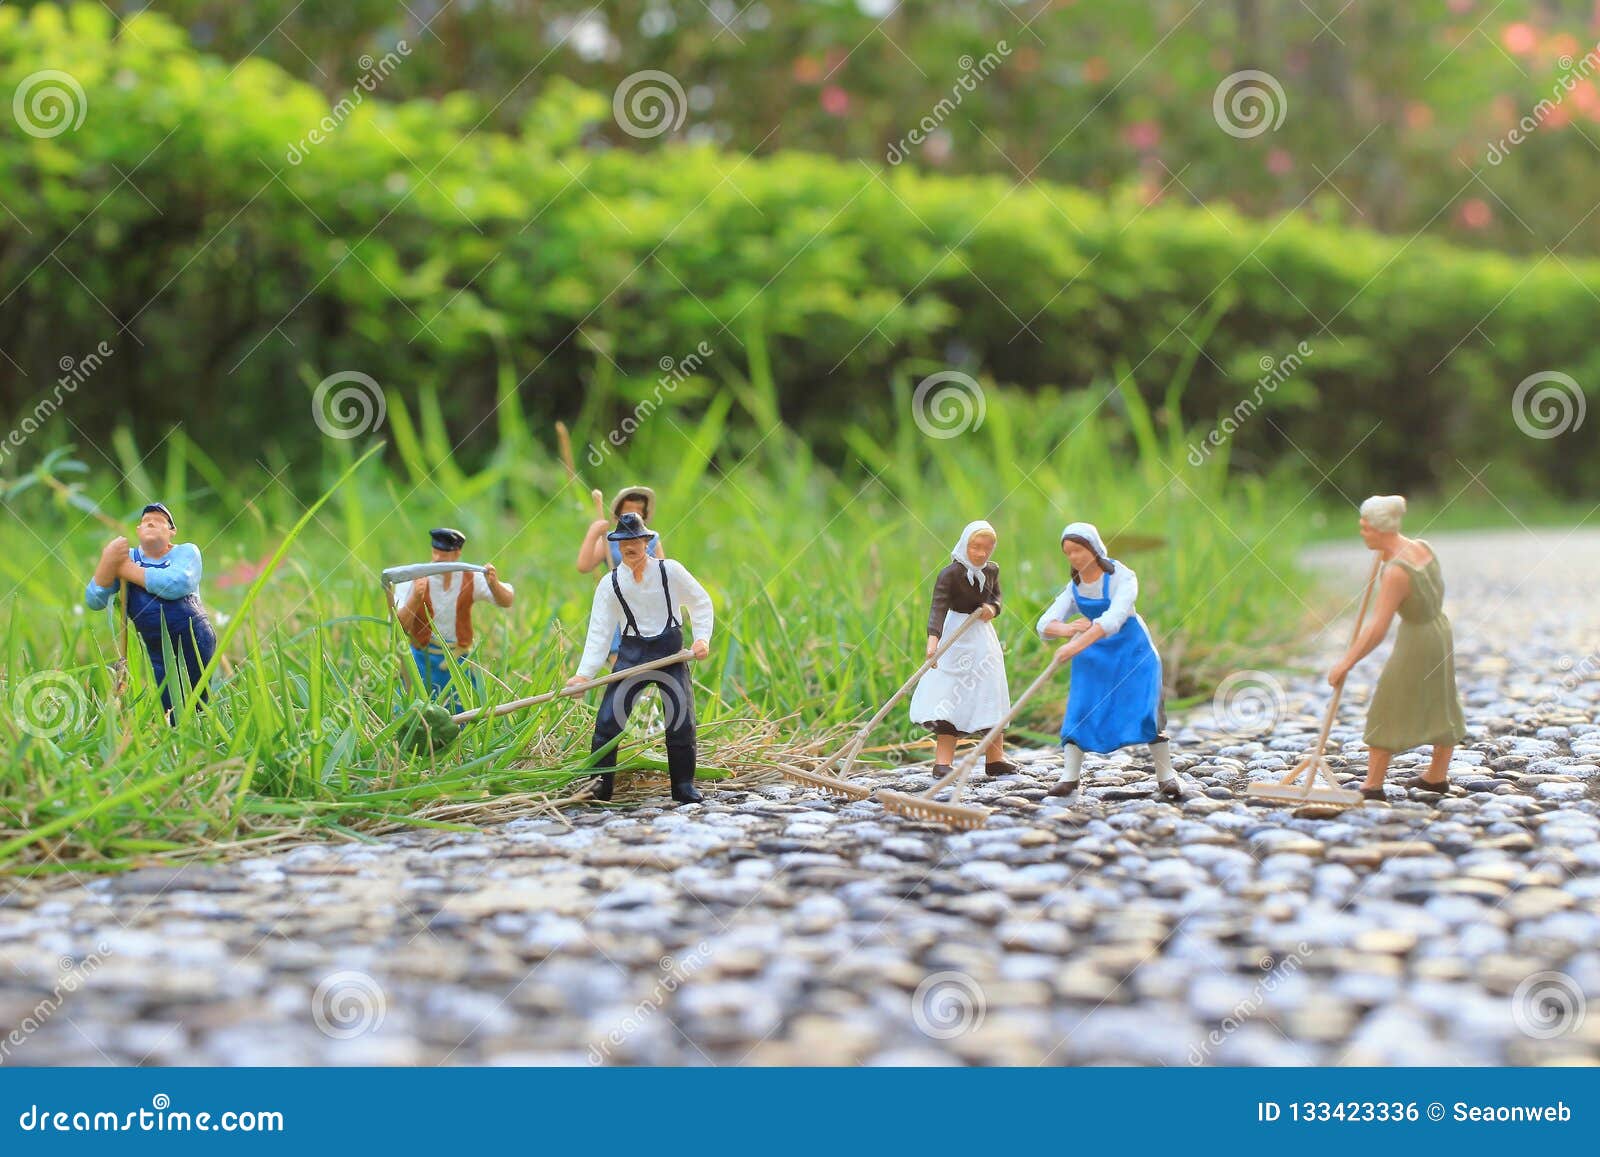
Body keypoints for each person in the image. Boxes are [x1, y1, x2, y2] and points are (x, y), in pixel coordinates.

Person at [1328, 495, 1468, 800]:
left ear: (1380, 530)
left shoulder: (1396, 572)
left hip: (1417, 637)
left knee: (1388, 702)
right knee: (1441, 699)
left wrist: (1346, 662)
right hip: (1439, 630)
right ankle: (1436, 777)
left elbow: (1378, 629)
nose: (1362, 533)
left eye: (1365, 529)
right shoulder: (1422, 547)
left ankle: (1373, 785)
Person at [567, 512, 712, 804]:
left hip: (670, 654)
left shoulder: (669, 571)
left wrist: (701, 638)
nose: (629, 547)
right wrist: (585, 675)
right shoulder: (610, 584)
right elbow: (599, 632)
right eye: (623, 542)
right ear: (618, 546)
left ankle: (683, 785)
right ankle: (600, 785)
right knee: (608, 721)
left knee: (680, 720)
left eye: (635, 540)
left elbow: (700, 601)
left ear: (646, 541)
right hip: (631, 655)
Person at [1035, 521, 1179, 799]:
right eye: (1068, 553)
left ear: (1094, 548)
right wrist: (1067, 630)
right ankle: (1069, 778)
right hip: (1094, 658)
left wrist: (1072, 648)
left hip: (1133, 652)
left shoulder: (1123, 577)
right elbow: (1045, 623)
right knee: (1080, 710)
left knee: (1145, 712)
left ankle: (1166, 776)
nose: (1074, 557)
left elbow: (1114, 619)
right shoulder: (1073, 587)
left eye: (1078, 550)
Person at [84, 502, 216, 722]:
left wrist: (127, 569)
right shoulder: (129, 557)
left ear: (171, 531)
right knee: (166, 692)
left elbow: (176, 583)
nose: (151, 522)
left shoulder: (186, 552)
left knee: (195, 690)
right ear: (138, 530)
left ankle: (198, 728)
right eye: (146, 521)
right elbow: (94, 600)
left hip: (193, 634)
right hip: (155, 642)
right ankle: (172, 730)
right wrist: (107, 564)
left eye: (159, 520)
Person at [907, 520, 1016, 778]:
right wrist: (933, 640)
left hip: (981, 636)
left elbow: (996, 597)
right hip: (955, 634)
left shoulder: (992, 570)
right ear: (966, 544)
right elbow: (938, 608)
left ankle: (995, 759)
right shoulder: (950, 574)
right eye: (976, 547)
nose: (981, 553)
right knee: (950, 696)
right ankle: (943, 762)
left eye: (987, 548)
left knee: (990, 692)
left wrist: (993, 608)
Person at [393, 528, 514, 709]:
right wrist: (415, 598)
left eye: (445, 554)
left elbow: (507, 600)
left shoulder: (470, 578)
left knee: (460, 705)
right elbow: (399, 626)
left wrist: (494, 584)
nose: (439, 559)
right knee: (416, 703)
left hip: (456, 656)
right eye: (436, 553)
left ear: (457, 554)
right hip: (422, 655)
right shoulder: (413, 579)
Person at [577, 485, 665, 662]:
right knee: (618, 642)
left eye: (638, 512)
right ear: (618, 514)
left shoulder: (652, 539)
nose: (633, 516)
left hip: (647, 600)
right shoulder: (610, 541)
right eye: (628, 512)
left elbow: (664, 570)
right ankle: (621, 677)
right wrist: (594, 533)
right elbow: (584, 566)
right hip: (620, 602)